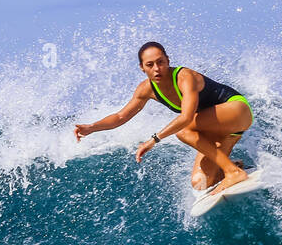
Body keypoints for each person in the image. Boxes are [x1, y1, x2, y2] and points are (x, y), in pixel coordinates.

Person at [73, 41, 253, 194]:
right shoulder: (146, 89)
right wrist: (92, 127)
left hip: (237, 111)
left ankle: (232, 172)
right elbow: (120, 116)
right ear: (142, 68)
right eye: (150, 65)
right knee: (200, 183)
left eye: (161, 62)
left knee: (183, 130)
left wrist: (153, 140)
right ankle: (232, 167)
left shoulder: (184, 77)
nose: (157, 68)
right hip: (222, 130)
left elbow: (186, 117)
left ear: (168, 61)